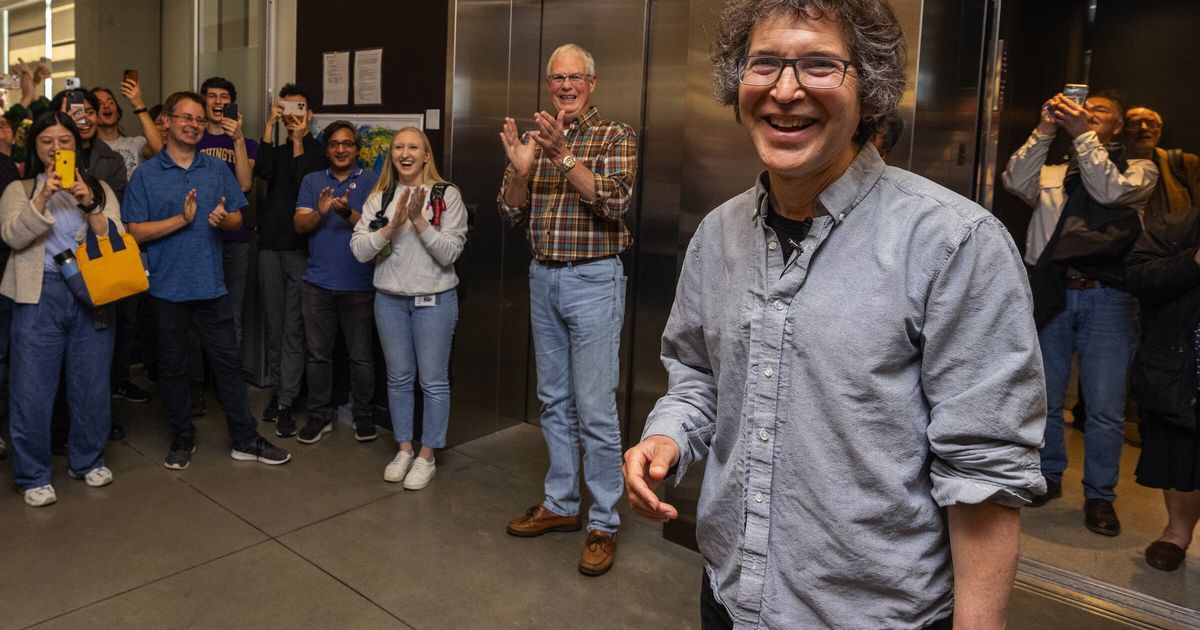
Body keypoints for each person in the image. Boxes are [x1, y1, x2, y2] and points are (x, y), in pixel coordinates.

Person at [624, 1, 1046, 627]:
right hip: (731, 596)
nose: (784, 91)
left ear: (868, 87)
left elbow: (983, 476)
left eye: (820, 64)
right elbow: (699, 375)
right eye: (764, 63)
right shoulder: (717, 235)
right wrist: (669, 435)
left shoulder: (954, 243)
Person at [497, 43, 637, 577]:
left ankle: (604, 522)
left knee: (595, 407)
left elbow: (615, 200)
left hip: (594, 279)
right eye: (557, 77)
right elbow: (510, 212)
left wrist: (562, 157)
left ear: (592, 83)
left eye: (575, 77)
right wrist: (520, 172)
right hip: (543, 277)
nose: (565, 86)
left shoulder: (614, 135)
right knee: (553, 400)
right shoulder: (535, 138)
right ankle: (561, 504)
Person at [1002, 90, 1157, 536]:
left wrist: (1081, 135)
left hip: (1108, 297)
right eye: (1082, 109)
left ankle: (1100, 495)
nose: (1087, 113)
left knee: (1105, 407)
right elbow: (1015, 180)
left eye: (1099, 112)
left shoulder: (1139, 170)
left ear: (1116, 127)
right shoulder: (1054, 172)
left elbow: (1108, 191)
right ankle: (1048, 475)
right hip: (1052, 292)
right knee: (1044, 398)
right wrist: (1045, 128)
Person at [121, 91, 289, 470]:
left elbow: (238, 217)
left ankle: (245, 439)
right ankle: (183, 438)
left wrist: (224, 220)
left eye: (199, 119)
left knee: (228, 366)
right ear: (167, 121)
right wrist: (181, 220)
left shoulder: (215, 169)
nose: (194, 125)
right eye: (186, 118)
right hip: (166, 290)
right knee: (173, 368)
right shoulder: (147, 174)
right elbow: (135, 231)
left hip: (211, 287)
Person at [0, 111, 123, 506]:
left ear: (76, 144)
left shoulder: (99, 188)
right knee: (31, 390)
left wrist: (91, 205)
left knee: (91, 384)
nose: (56, 149)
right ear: (35, 147)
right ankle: (32, 475)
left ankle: (87, 460)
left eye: (64, 141)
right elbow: (13, 237)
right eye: (47, 142)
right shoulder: (19, 189)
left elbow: (116, 239)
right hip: (38, 293)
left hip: (92, 292)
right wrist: (43, 196)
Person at [351, 127, 467, 489]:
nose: (405, 153)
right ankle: (404, 448)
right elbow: (359, 250)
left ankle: (427, 455)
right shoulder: (380, 197)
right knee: (399, 379)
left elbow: (450, 253)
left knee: (432, 381)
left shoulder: (446, 195)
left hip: (435, 301)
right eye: (399, 147)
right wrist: (391, 227)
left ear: (426, 154)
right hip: (389, 301)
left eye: (413, 147)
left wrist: (418, 220)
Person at [1120, 106, 1200, 572]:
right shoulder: (1178, 226)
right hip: (1184, 366)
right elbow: (1139, 277)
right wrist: (1194, 262)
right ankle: (1177, 532)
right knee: (1182, 454)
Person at [293, 121, 378, 443]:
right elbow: (300, 226)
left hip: (359, 284)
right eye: (334, 144)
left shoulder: (373, 182)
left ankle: (363, 416)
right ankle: (319, 416)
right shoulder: (312, 180)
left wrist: (345, 213)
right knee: (318, 356)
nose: (341, 150)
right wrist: (320, 211)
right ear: (326, 149)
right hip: (317, 283)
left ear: (357, 149)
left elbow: (377, 231)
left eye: (347, 144)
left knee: (361, 356)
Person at [254, 84, 326, 432]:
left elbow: (304, 185)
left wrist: (298, 140)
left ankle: (287, 398)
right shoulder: (278, 150)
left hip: (300, 248)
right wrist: (269, 124)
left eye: (300, 109)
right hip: (270, 245)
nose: (293, 115)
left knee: (294, 329)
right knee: (274, 324)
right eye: (287, 109)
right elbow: (263, 171)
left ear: (309, 114)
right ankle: (279, 391)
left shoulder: (319, 153)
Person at [197, 77, 257, 345]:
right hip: (197, 234)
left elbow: (244, 184)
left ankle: (230, 371)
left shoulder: (247, 144)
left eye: (224, 97)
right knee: (197, 311)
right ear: (203, 102)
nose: (218, 101)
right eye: (212, 96)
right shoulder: (193, 137)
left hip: (234, 238)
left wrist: (238, 139)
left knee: (231, 313)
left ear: (232, 104)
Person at [1123, 106, 1199, 231]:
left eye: (1151, 123)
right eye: (1135, 124)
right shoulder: (1112, 167)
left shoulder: (1185, 163)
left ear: (1159, 130)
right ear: (1121, 129)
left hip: (1178, 241)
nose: (1144, 128)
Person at [93, 78, 164, 182]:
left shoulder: (136, 143)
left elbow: (159, 149)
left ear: (118, 113)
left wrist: (138, 104)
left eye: (111, 102)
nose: (106, 106)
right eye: (99, 103)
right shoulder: (91, 149)